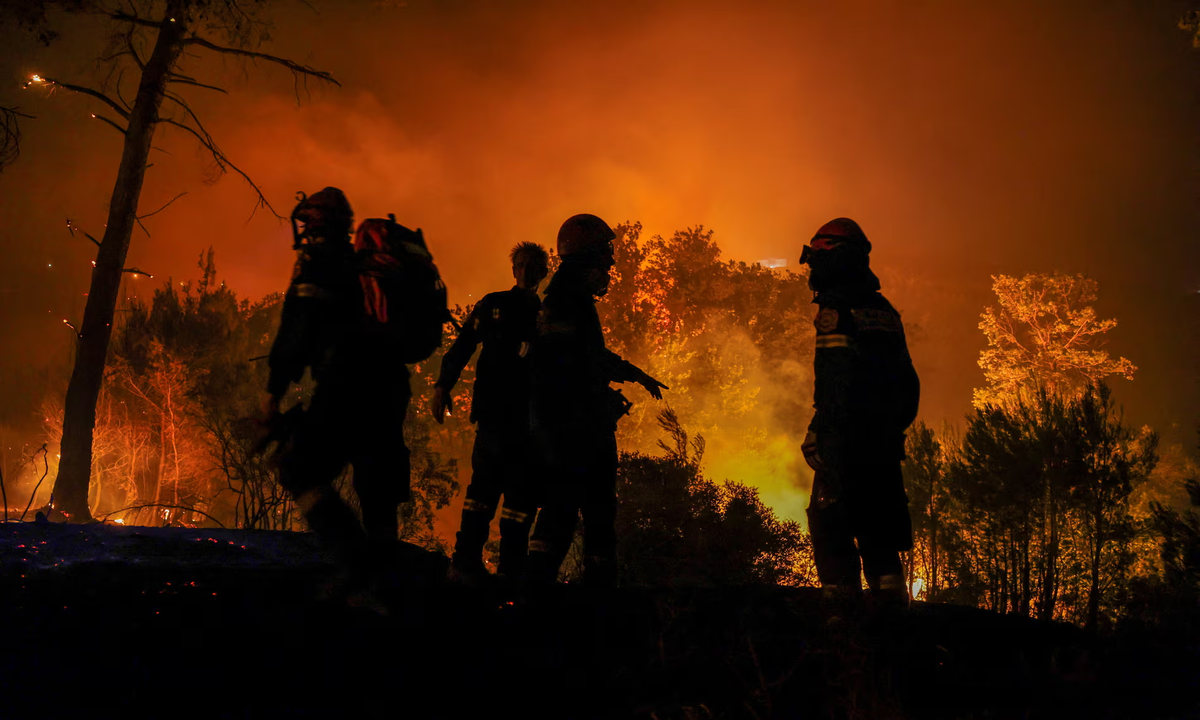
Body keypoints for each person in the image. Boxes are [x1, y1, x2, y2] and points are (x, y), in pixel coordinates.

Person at [261, 187, 412, 600]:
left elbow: (298, 329)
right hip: (391, 387)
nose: (305, 232)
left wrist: (274, 390)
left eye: (308, 223)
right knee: (377, 486)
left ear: (317, 224)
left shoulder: (317, 265)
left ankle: (356, 565)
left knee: (298, 469)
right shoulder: (365, 266)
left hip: (346, 385)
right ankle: (386, 590)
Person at [524, 213, 668, 587]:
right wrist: (624, 378)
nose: (610, 261)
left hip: (567, 426)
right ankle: (584, 598)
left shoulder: (566, 299)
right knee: (587, 510)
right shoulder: (566, 302)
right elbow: (577, 361)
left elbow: (579, 357)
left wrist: (628, 374)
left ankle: (538, 592)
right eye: (604, 251)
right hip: (576, 430)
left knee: (570, 507)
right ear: (585, 255)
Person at [799, 217, 920, 608]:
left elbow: (835, 377)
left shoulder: (838, 307)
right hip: (883, 441)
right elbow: (908, 381)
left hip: (846, 438)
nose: (812, 266)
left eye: (818, 255)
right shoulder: (884, 309)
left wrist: (822, 429)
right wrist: (890, 429)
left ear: (837, 257)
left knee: (830, 520)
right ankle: (893, 619)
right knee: (878, 525)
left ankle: (842, 622)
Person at [433, 241, 550, 583]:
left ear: (543, 273)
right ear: (513, 270)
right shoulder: (494, 305)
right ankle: (465, 565)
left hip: (530, 425)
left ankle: (510, 574)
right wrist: (443, 385)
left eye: (533, 266)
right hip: (495, 418)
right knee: (481, 495)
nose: (526, 271)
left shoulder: (549, 316)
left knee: (520, 503)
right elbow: (463, 345)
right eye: (521, 265)